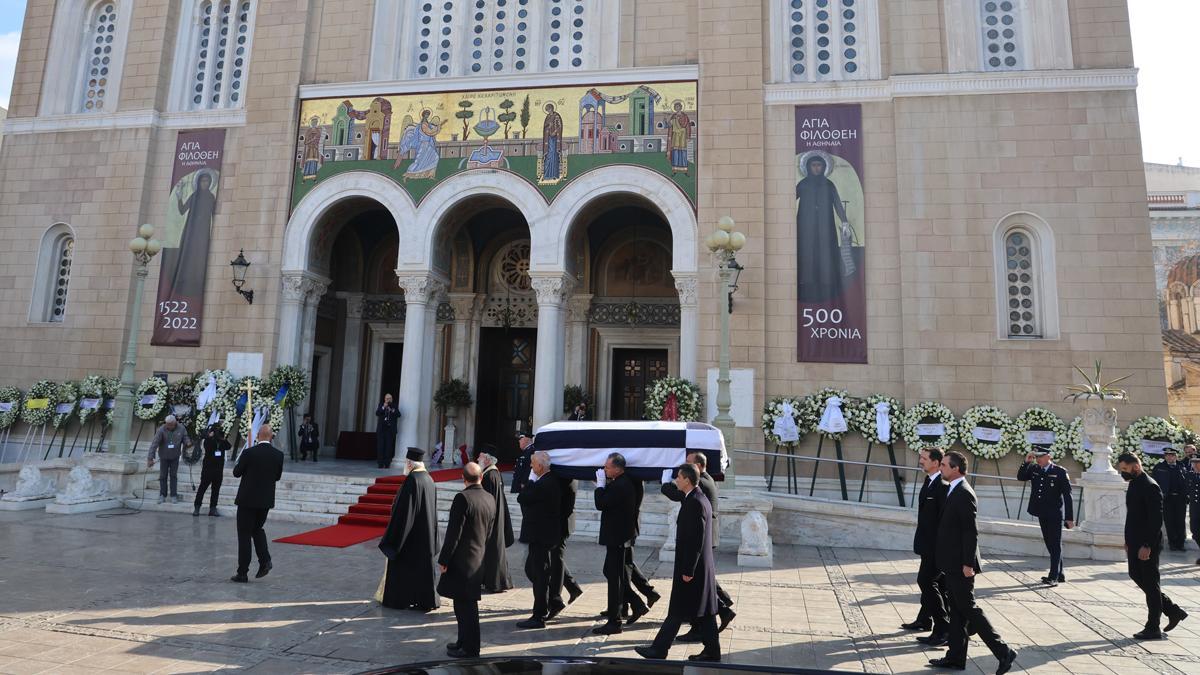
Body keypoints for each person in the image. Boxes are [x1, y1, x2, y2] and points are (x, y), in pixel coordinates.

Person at [929, 451, 1018, 674]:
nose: (941, 468)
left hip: (961, 564)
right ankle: (955, 657)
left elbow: (970, 532)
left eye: (944, 465)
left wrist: (968, 564)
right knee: (958, 612)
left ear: (956, 469)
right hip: (952, 562)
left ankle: (1003, 651)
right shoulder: (953, 489)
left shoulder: (964, 493)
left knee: (969, 609)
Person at [634, 463, 721, 662]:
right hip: (699, 567)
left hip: (693, 568)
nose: (676, 480)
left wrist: (688, 569)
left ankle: (659, 649)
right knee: (706, 611)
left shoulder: (696, 502)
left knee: (678, 609)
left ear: (687, 480)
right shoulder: (694, 497)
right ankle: (712, 651)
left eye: (679, 477)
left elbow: (696, 539)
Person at [661, 452, 736, 641]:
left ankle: (718, 611)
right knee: (704, 585)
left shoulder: (699, 486)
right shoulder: (707, 478)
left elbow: (677, 495)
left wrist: (665, 485)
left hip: (702, 541)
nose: (684, 465)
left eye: (689, 463)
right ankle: (721, 611)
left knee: (700, 586)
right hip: (706, 538)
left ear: (699, 466)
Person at [1118, 452, 1189, 639]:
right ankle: (1173, 611)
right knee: (1136, 575)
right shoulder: (1134, 483)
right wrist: (1128, 541)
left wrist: (1147, 545)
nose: (1123, 472)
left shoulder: (1150, 486)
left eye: (1125, 469)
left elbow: (1156, 520)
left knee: (1151, 584)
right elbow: (1132, 516)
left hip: (1147, 544)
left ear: (1135, 467)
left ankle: (1153, 627)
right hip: (1134, 542)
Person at [438, 463, 496, 659]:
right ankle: (462, 641)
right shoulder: (489, 498)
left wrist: (444, 559)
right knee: (461, 603)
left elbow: (453, 533)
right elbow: (489, 532)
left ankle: (470, 648)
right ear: (481, 477)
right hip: (478, 557)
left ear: (463, 479)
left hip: (462, 561)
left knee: (466, 607)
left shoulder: (462, 498)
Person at [593, 452, 649, 635]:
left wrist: (600, 486)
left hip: (617, 537)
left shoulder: (621, 485)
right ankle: (636, 605)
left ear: (617, 468)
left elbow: (601, 503)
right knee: (613, 574)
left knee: (615, 579)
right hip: (620, 537)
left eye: (607, 467)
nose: (604, 470)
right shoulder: (623, 482)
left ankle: (615, 621)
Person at [377, 447, 439, 611]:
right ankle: (424, 600)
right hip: (425, 535)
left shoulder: (412, 480)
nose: (405, 465)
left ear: (410, 464)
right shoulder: (428, 479)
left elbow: (404, 512)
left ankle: (400, 599)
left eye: (406, 462)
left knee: (404, 569)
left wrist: (394, 539)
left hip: (411, 537)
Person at [903, 448, 949, 647]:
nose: (920, 461)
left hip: (936, 546)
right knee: (936, 584)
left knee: (926, 581)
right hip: (927, 544)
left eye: (924, 458)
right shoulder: (929, 480)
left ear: (936, 462)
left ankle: (944, 628)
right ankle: (924, 619)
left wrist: (939, 547)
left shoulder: (942, 485)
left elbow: (943, 520)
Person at [796, 153, 854, 303]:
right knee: (806, 252)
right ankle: (806, 282)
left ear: (823, 167)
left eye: (819, 165)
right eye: (813, 165)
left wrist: (845, 222)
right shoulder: (803, 184)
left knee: (825, 252)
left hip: (825, 226)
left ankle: (826, 283)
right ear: (808, 167)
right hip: (805, 226)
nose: (816, 168)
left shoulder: (829, 185)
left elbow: (837, 204)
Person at [230, 425, 284, 583]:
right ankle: (265, 560)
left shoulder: (249, 453)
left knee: (244, 535)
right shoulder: (278, 455)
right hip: (265, 501)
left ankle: (242, 572)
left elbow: (236, 473)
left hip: (247, 500)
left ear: (258, 435)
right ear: (271, 436)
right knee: (257, 529)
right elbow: (277, 477)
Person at [516, 451, 562, 628]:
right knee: (536, 571)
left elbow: (522, 497)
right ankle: (553, 602)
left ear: (540, 466)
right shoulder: (550, 481)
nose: (530, 466)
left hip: (540, 536)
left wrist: (530, 481)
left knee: (540, 575)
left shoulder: (543, 484)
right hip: (545, 535)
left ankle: (539, 614)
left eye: (533, 463)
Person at [1016, 448, 1074, 585]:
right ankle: (1060, 574)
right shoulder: (1035, 469)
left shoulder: (1060, 472)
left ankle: (1053, 577)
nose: (1038, 459)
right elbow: (1021, 477)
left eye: (1040, 457)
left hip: (1055, 514)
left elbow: (1068, 495)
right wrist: (1026, 462)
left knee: (1055, 544)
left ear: (1048, 456)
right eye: (1036, 457)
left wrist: (1069, 518)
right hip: (1041, 512)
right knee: (1050, 543)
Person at [549, 465, 584, 616]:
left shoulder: (565, 478)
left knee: (556, 560)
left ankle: (556, 599)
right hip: (561, 524)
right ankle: (573, 587)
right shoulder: (567, 476)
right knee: (556, 558)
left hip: (560, 525)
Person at [478, 451, 514, 593]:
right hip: (497, 517)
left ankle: (495, 583)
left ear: (487, 459)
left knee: (493, 552)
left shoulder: (489, 476)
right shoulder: (494, 473)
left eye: (480, 457)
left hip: (492, 520)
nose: (477, 459)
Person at [147, 415, 193, 504]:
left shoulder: (181, 428)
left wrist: (188, 442)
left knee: (173, 476)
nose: (168, 426)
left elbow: (185, 437)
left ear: (175, 423)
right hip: (164, 456)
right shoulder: (161, 430)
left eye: (170, 424)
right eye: (167, 424)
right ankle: (162, 495)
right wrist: (150, 458)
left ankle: (173, 495)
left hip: (175, 456)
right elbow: (154, 443)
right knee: (163, 476)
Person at [1152, 448, 1189, 551]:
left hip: (1180, 499)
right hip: (1167, 499)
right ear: (1165, 456)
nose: (1169, 457)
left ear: (1176, 456)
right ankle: (1172, 543)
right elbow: (1154, 483)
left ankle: (1180, 544)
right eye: (1167, 455)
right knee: (1169, 522)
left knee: (1180, 522)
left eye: (1172, 455)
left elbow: (1186, 482)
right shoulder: (1159, 467)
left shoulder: (1182, 466)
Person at [193, 423, 230, 517]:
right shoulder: (208, 440)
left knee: (216, 490)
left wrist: (223, 439)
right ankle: (197, 507)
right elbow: (207, 447)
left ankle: (213, 508)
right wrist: (209, 437)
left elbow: (228, 446)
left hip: (218, 469)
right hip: (208, 469)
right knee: (202, 488)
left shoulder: (222, 440)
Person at [375, 394, 398, 469]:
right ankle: (380, 463)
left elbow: (398, 414)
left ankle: (387, 463)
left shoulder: (394, 406)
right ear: (384, 399)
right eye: (387, 398)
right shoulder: (381, 405)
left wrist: (392, 410)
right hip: (381, 429)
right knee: (380, 447)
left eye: (390, 398)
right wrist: (383, 407)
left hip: (390, 430)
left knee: (389, 447)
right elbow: (377, 413)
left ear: (392, 399)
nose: (388, 400)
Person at [1189, 455, 1200, 562]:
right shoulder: (1190, 475)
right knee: (1195, 531)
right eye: (1193, 463)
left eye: (1197, 463)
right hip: (1194, 509)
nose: (1195, 465)